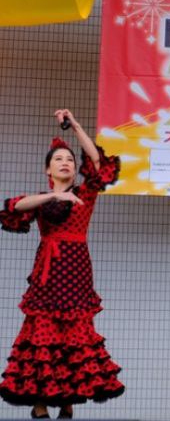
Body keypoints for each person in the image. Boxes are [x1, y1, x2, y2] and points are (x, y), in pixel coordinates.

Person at [0, 109, 124, 419]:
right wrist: (53, 198)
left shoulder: (85, 193)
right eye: (58, 159)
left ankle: (67, 401)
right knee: (43, 333)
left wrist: (77, 126)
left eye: (69, 159)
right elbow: (14, 206)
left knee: (74, 336)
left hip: (77, 271)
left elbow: (99, 165)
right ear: (48, 170)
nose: (66, 162)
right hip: (47, 276)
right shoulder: (41, 200)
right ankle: (40, 404)